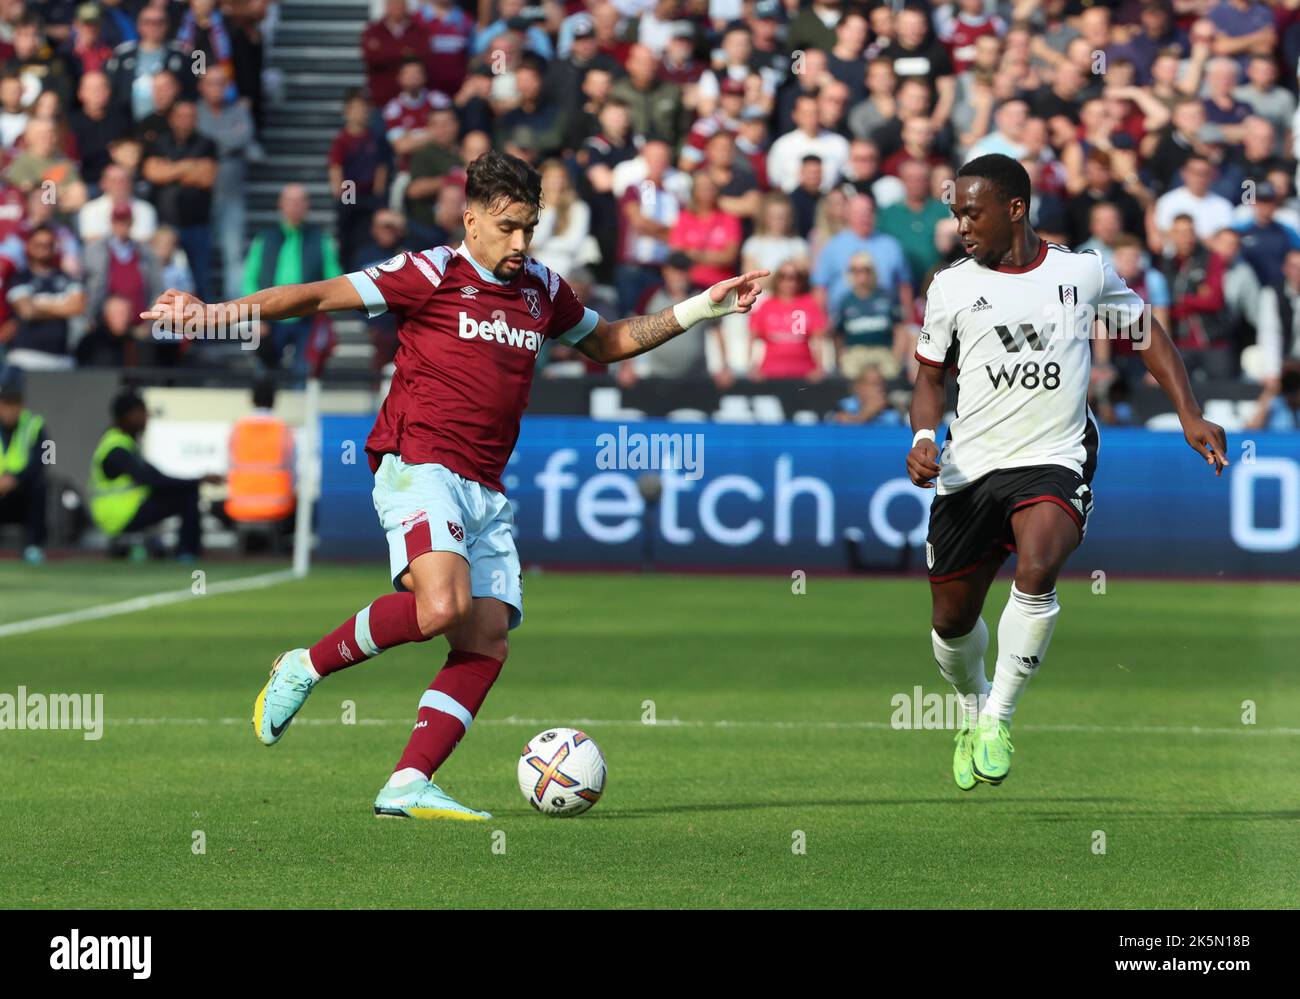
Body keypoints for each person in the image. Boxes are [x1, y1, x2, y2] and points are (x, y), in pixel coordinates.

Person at [142, 150, 768, 821]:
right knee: (442, 607)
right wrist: (215, 315)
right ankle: (303, 665)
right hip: (418, 462)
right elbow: (319, 294)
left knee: (487, 637)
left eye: (530, 227)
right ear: (471, 221)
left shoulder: (542, 290)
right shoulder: (429, 272)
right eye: (508, 227)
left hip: (485, 485)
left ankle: (407, 782)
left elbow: (608, 341)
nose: (521, 242)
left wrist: (700, 308)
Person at [908, 154, 1227, 791]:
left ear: (1015, 208)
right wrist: (921, 435)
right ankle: (972, 713)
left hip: (1055, 457)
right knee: (950, 623)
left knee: (1038, 566)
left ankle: (998, 718)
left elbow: (1146, 332)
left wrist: (1189, 414)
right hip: (971, 467)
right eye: (955, 214)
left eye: (973, 212)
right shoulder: (949, 285)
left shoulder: (1081, 272)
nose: (962, 225)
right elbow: (930, 377)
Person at [89, 389, 222, 560]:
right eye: (142, 413)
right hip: (118, 515)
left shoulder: (124, 443)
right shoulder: (117, 448)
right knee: (187, 495)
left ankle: (185, 551)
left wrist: (196, 480)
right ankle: (187, 554)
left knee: (184, 491)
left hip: (123, 511)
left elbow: (156, 476)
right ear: (129, 415)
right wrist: (198, 481)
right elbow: (154, 480)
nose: (146, 419)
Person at [225, 376, 295, 531]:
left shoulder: (238, 428)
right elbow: (294, 470)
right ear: (274, 400)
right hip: (279, 506)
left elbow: (228, 468)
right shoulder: (283, 429)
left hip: (239, 505)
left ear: (251, 399)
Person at [0, 367, 51, 563]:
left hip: (20, 493)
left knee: (41, 486)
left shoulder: (36, 424)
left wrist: (15, 479)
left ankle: (33, 547)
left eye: (16, 403)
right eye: (6, 403)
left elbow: (47, 459)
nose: (11, 410)